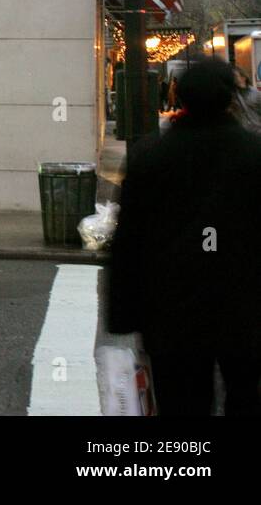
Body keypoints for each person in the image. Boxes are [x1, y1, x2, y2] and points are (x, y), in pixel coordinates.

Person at [108, 56, 261, 416]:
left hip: (170, 309)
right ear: (230, 99)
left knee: (180, 401)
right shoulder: (253, 155)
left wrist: (123, 312)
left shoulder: (151, 155)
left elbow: (128, 239)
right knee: (245, 395)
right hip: (243, 306)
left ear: (181, 97)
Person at [231, 66, 261, 134]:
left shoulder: (256, 94)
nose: (233, 78)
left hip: (258, 130)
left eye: (235, 76)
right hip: (243, 132)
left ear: (243, 78)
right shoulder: (233, 95)